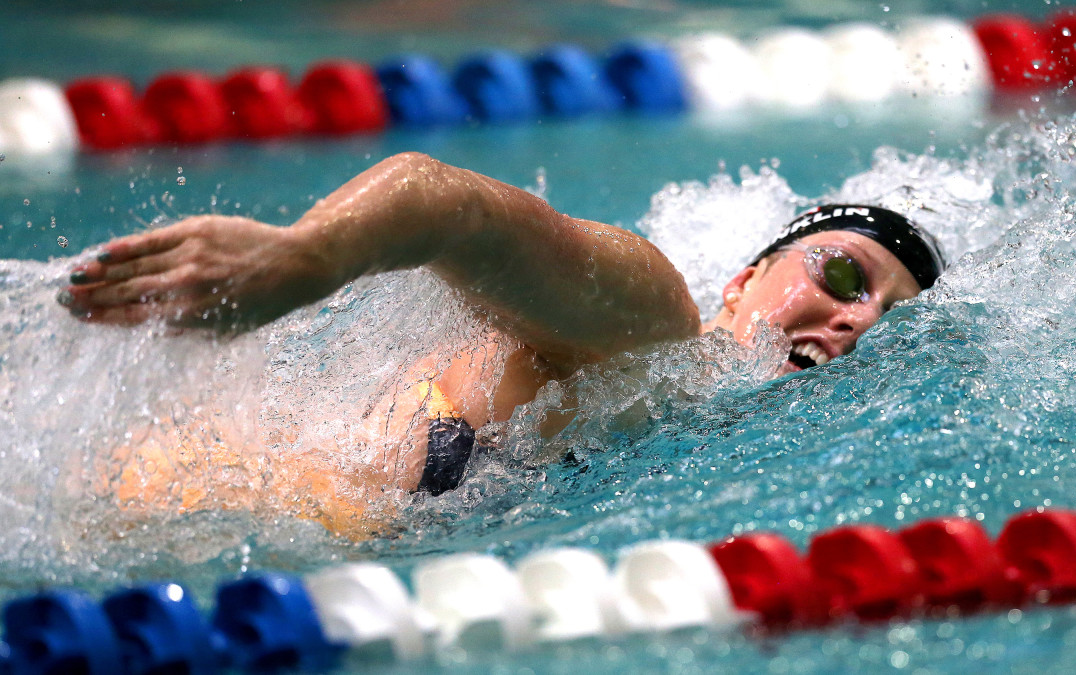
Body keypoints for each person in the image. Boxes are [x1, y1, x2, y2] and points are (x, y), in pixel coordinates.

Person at [57, 152, 945, 538]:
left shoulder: (719, 440)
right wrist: (301, 259)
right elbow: (451, 205)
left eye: (886, 315)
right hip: (153, 507)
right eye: (841, 276)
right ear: (742, 279)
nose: (858, 319)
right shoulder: (653, 321)